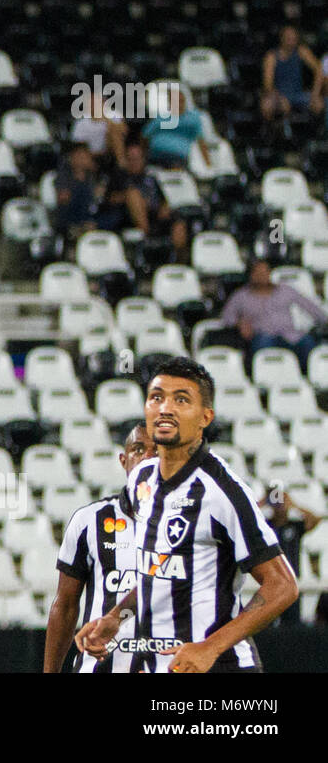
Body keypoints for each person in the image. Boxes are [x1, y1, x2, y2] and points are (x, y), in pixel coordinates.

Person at [75, 357, 298, 672]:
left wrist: (210, 648)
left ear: (205, 416)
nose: (165, 408)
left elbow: (282, 585)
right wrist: (116, 618)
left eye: (181, 399)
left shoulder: (222, 492)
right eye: (157, 397)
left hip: (221, 666)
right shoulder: (142, 479)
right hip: (164, 665)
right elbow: (159, 572)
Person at [45, 425, 155, 673]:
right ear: (124, 460)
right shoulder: (88, 520)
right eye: (138, 449)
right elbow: (65, 604)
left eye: (157, 451)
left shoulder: (190, 524)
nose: (148, 457)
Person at [221, 259, 327, 371]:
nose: (262, 276)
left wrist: (325, 319)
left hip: (290, 335)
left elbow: (309, 306)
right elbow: (226, 316)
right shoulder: (241, 296)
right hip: (263, 335)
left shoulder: (285, 290)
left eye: (265, 272)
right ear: (251, 275)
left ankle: (309, 377)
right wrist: (240, 323)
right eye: (258, 272)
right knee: (263, 343)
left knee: (307, 342)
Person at [100, 142, 187, 257]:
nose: (134, 162)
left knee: (179, 224)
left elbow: (164, 201)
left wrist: (164, 208)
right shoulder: (119, 177)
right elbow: (109, 200)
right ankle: (148, 240)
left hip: (155, 216)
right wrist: (135, 200)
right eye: (130, 159)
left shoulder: (151, 178)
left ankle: (178, 259)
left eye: (137, 158)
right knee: (133, 194)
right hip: (129, 218)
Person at [260, 25, 325, 125]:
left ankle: (314, 134)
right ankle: (276, 132)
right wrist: (280, 98)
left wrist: (315, 93)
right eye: (288, 38)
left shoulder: (301, 51)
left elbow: (319, 71)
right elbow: (268, 84)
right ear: (282, 38)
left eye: (294, 38)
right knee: (267, 105)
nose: (291, 41)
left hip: (298, 93)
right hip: (279, 94)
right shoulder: (272, 56)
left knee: (319, 104)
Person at [142, 86, 209, 169]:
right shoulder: (160, 118)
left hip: (177, 157)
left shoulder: (193, 119)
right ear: (170, 103)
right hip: (155, 156)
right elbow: (145, 137)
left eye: (181, 101)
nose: (179, 104)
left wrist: (208, 164)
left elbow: (201, 142)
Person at [52, 142, 101, 239]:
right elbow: (63, 199)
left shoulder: (91, 176)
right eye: (81, 155)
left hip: (90, 214)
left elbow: (98, 197)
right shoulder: (64, 175)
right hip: (70, 216)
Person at [71, 91, 126, 170]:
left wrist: (106, 120)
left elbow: (124, 132)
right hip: (92, 155)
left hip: (110, 153)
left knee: (115, 132)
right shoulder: (81, 122)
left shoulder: (113, 114)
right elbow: (78, 147)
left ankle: (122, 167)